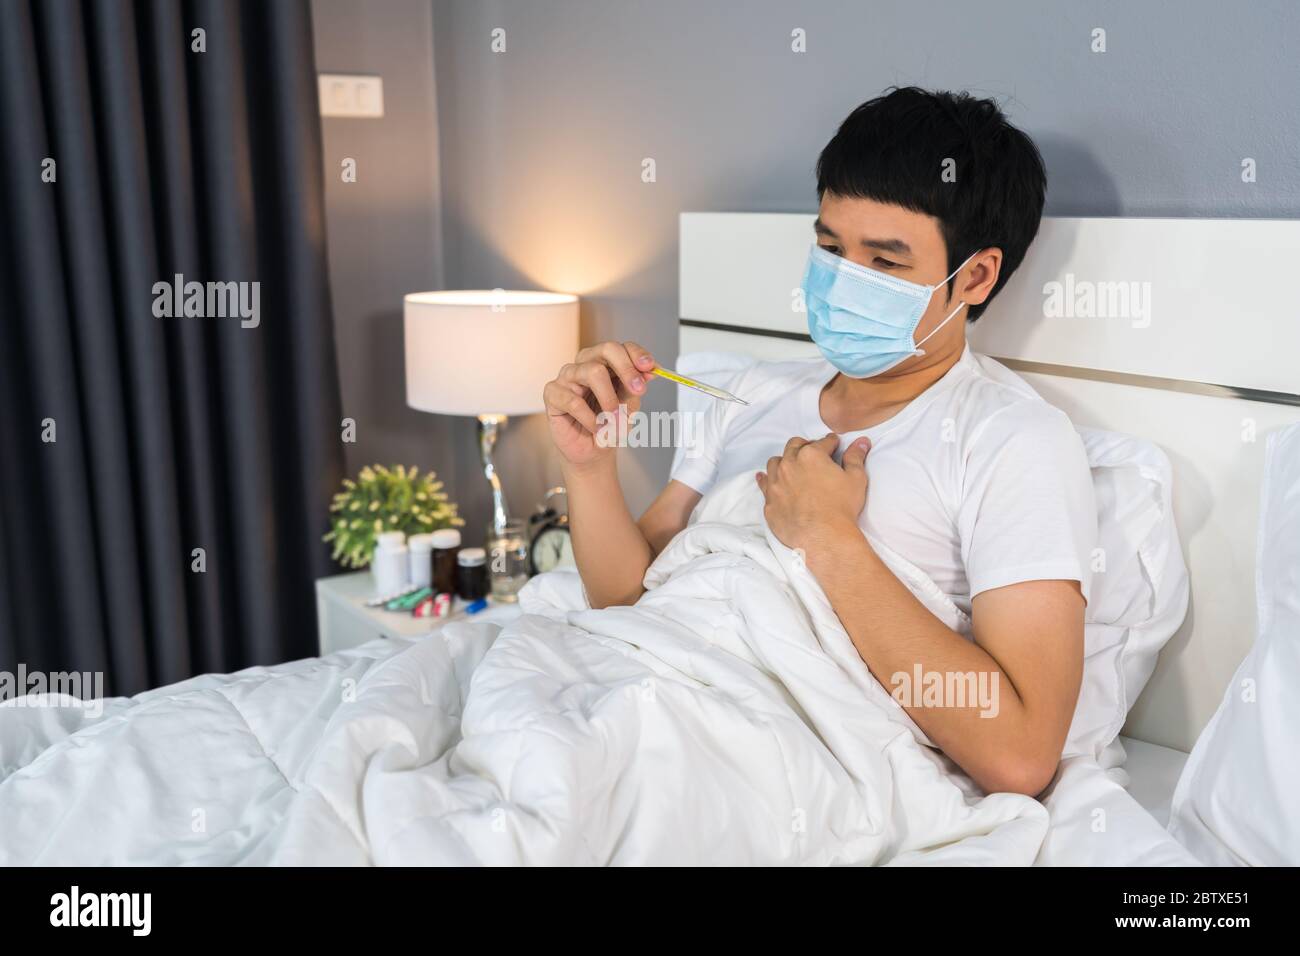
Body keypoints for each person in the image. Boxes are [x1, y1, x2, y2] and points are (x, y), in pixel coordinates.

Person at [540, 88, 1096, 798]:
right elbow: (625, 603)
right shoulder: (748, 395)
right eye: (830, 248)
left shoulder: (1012, 440)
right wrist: (588, 467)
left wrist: (830, 540)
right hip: (624, 692)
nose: (842, 280)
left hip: (752, 761)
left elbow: (1019, 755)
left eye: (886, 262)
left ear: (976, 276)